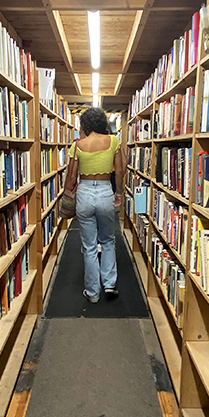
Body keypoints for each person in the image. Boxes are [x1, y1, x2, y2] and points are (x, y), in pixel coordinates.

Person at [64, 107, 124, 303]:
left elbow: (72, 176)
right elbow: (120, 172)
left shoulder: (78, 145)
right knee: (108, 241)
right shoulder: (114, 141)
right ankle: (109, 284)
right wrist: (119, 194)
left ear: (85, 125)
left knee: (89, 246)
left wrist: (67, 196)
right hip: (106, 191)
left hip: (85, 194)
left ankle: (92, 293)